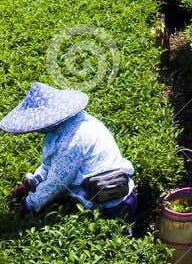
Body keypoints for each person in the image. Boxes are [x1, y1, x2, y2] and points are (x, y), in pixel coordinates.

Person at [2, 83, 137, 220]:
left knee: (118, 233)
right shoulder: (71, 122)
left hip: (113, 203)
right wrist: (30, 183)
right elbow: (52, 164)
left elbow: (57, 182)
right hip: (101, 192)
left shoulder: (72, 139)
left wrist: (29, 205)